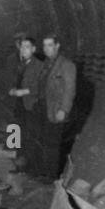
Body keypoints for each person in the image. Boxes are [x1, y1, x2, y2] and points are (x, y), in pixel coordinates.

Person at [39, 35, 76, 179]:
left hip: (57, 110)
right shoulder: (47, 64)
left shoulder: (67, 65)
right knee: (46, 141)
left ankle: (52, 175)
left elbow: (70, 89)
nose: (46, 49)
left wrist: (64, 110)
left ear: (57, 46)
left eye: (49, 45)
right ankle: (45, 171)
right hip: (45, 108)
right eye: (44, 45)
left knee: (54, 144)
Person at [8, 35, 44, 175]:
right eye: (22, 47)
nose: (23, 50)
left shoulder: (39, 66)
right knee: (17, 131)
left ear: (34, 49)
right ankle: (18, 162)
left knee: (29, 136)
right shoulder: (22, 64)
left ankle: (29, 168)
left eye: (27, 47)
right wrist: (13, 90)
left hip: (31, 106)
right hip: (20, 105)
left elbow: (42, 87)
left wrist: (24, 91)